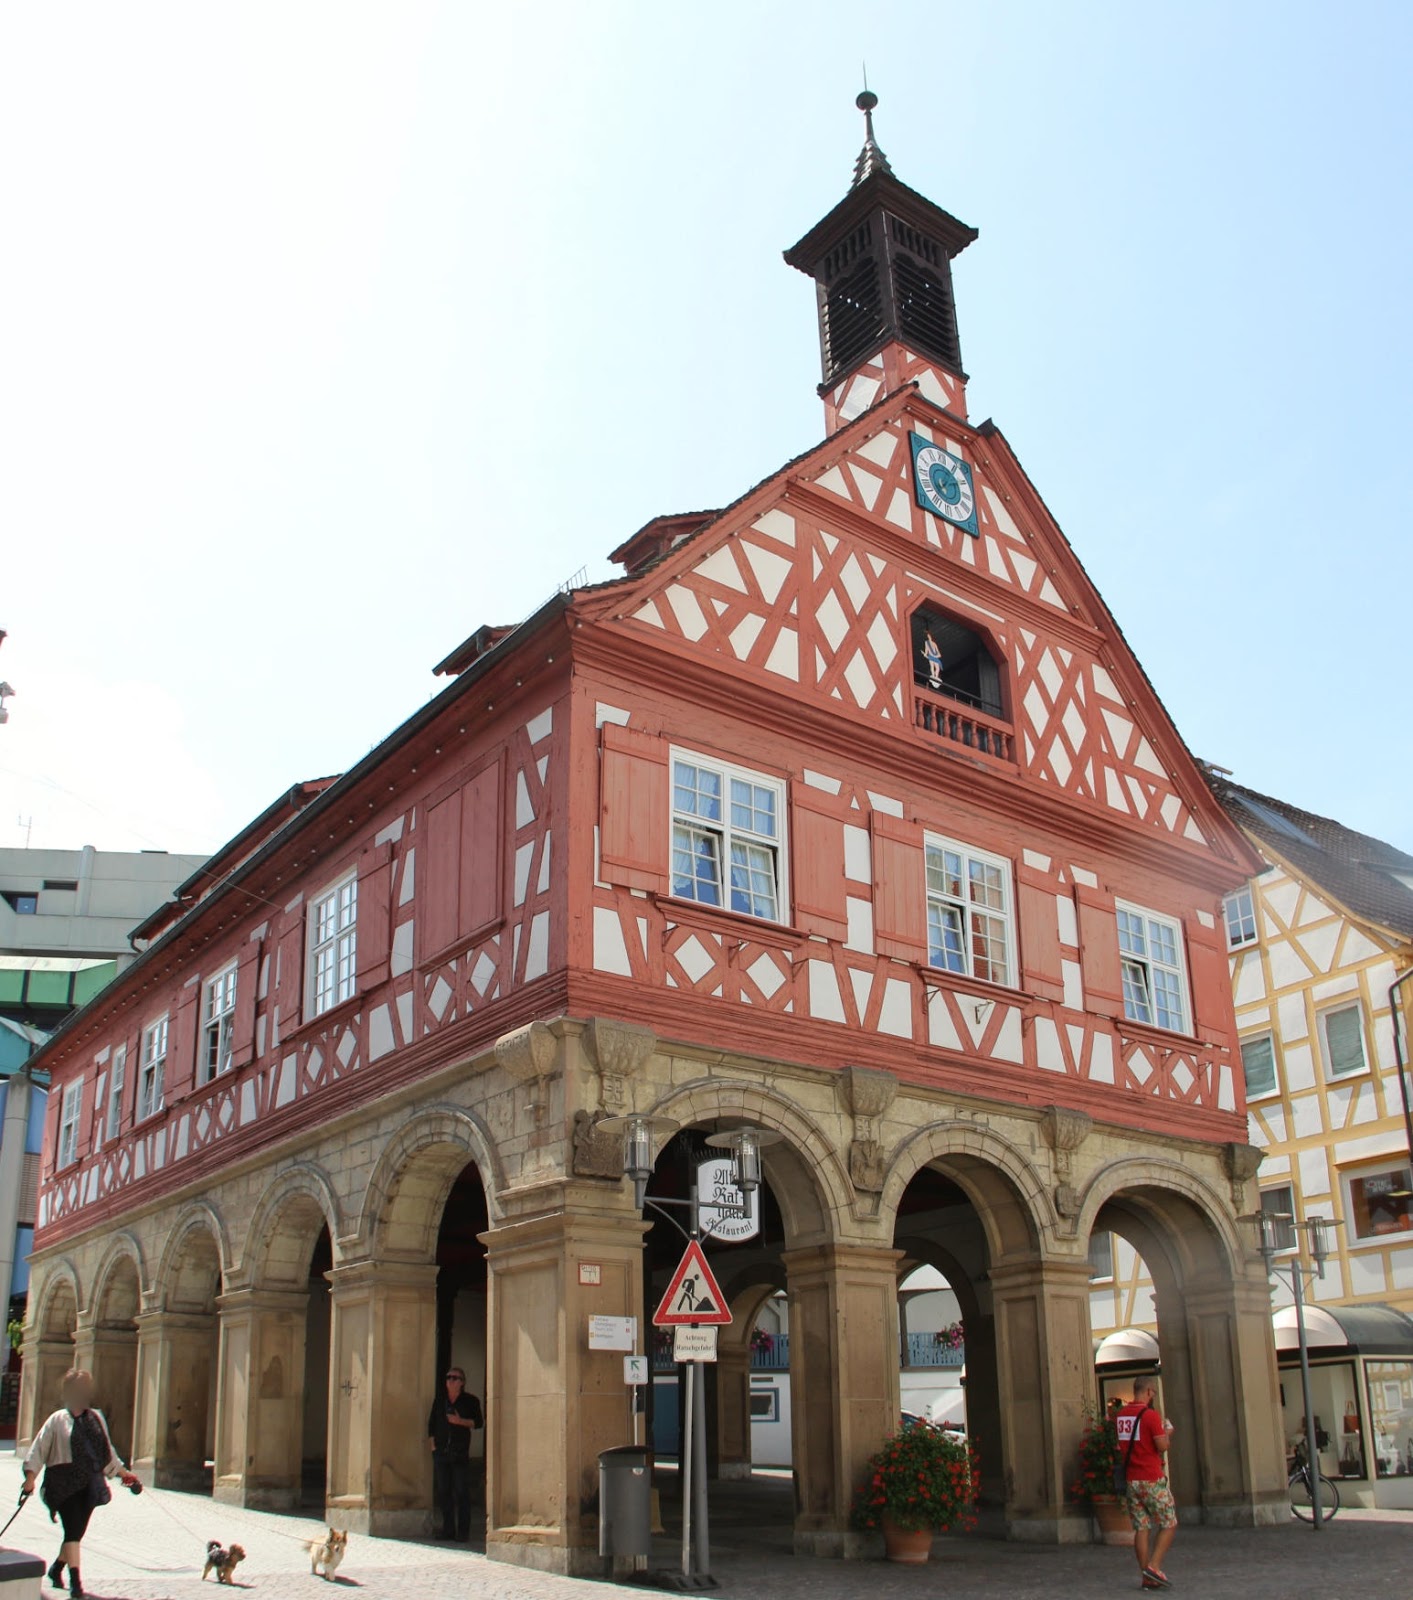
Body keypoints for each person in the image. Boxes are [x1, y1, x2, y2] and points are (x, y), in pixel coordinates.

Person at [23, 1368, 140, 1598]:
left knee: (75, 1533)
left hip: (90, 1485)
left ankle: (57, 1568)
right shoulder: (57, 1420)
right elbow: (39, 1449)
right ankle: (76, 1583)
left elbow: (108, 1453)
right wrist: (30, 1479)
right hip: (63, 1484)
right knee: (73, 1530)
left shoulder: (96, 1418)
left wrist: (125, 1475)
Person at [1115, 1376, 1176, 1591]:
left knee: (1141, 1527)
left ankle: (1146, 1576)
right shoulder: (1150, 1416)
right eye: (1154, 1394)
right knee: (1169, 1522)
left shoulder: (1121, 1415)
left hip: (1132, 1479)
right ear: (1149, 1391)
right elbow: (1161, 1446)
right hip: (1151, 1477)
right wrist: (1167, 1432)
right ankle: (1154, 1566)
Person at [426, 1366, 482, 1541]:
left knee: (461, 1492)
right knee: (443, 1491)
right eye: (448, 1377)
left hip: (459, 1453)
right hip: (441, 1452)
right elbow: (431, 1424)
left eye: (455, 1378)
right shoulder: (440, 1401)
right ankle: (448, 1529)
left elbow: (478, 1423)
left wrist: (460, 1421)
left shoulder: (471, 1401)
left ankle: (463, 1532)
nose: (451, 1380)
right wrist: (433, 1446)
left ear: (462, 1382)